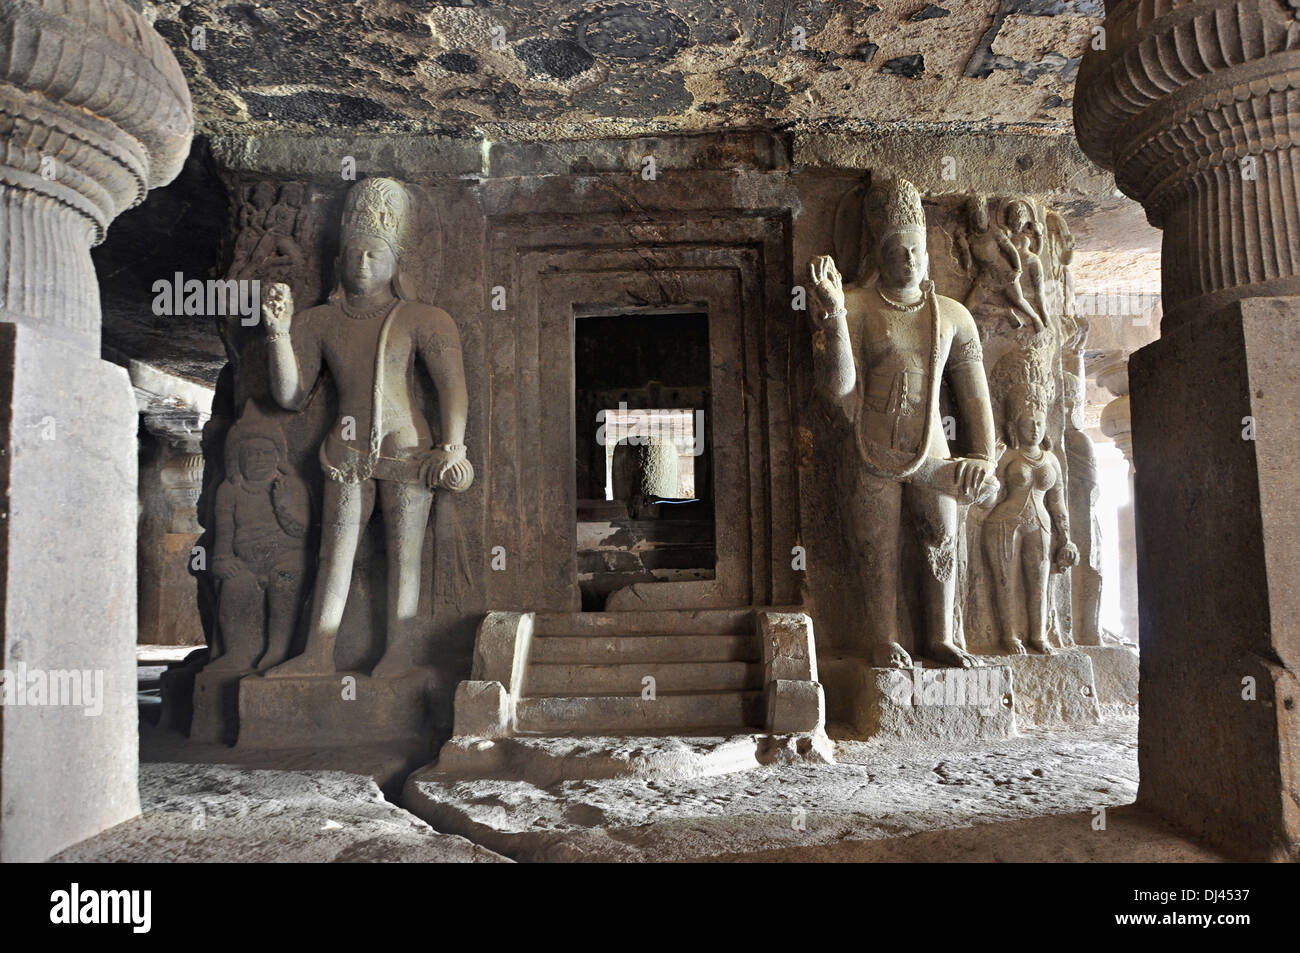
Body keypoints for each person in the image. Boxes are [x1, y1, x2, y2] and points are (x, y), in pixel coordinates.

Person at [260, 177, 472, 677]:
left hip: (410, 449)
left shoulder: (425, 318)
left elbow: (452, 388)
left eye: (374, 254)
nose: (362, 264)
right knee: (334, 554)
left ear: (397, 260)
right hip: (346, 451)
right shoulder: (319, 322)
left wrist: (453, 446)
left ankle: (399, 654)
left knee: (406, 558)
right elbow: (290, 396)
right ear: (338, 260)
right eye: (353, 254)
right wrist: (277, 334)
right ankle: (317, 654)